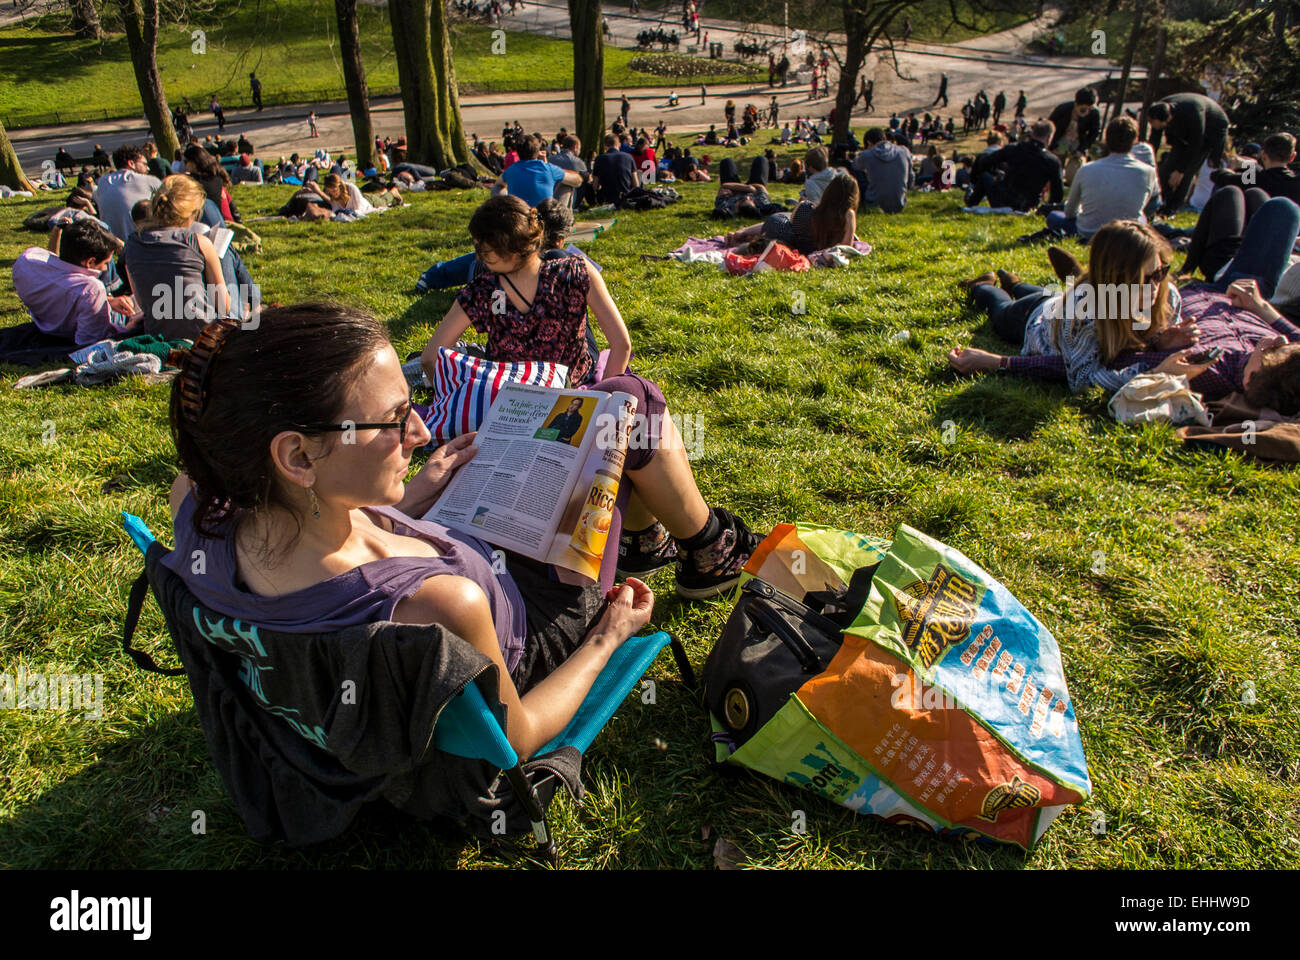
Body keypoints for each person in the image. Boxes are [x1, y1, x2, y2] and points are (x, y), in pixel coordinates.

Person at [123, 175, 232, 339]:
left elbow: (141, 302)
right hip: (203, 338)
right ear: (191, 214)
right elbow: (223, 305)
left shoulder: (132, 244)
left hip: (158, 334)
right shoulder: (199, 243)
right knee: (229, 254)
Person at [13, 218, 141, 347]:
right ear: (90, 262)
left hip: (47, 321)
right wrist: (130, 329)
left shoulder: (26, 260)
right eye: (106, 263)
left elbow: (62, 287)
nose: (105, 269)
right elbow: (90, 341)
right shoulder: (91, 289)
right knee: (152, 304)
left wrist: (107, 300)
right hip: (107, 323)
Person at [1047, 117, 1158, 240]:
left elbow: (1070, 212)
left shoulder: (1087, 169)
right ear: (1135, 140)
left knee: (1053, 216)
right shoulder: (1148, 172)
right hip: (1127, 234)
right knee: (1142, 218)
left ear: (1107, 139)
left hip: (1088, 231)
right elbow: (1151, 203)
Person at [724, 173, 858, 254]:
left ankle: (742, 233)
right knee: (784, 220)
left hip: (780, 230)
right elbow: (847, 246)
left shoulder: (808, 208)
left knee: (785, 219)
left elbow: (792, 224)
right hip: (787, 239)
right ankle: (743, 234)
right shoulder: (847, 215)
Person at [1146, 93, 1230, 213]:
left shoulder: (1193, 113)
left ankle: (1171, 208)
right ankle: (1160, 203)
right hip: (1186, 130)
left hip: (1211, 128)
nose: (1156, 127)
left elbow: (1196, 144)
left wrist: (1180, 170)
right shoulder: (1158, 110)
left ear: (1168, 119)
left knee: (1187, 171)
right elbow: (1155, 139)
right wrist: (1148, 161)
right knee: (1168, 167)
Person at [965, 120, 1063, 212]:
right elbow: (1057, 194)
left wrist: (995, 172)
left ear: (1032, 133)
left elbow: (986, 162)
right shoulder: (1052, 161)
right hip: (1027, 205)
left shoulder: (1014, 149)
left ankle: (971, 202)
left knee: (985, 176)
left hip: (1002, 200)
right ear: (1049, 137)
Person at [93, 144, 162, 243]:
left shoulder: (103, 181)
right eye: (144, 164)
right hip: (141, 240)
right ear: (131, 163)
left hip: (110, 241)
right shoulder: (146, 180)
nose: (148, 168)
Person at [494, 135, 583, 207]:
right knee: (567, 184)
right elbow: (578, 181)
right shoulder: (548, 169)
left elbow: (498, 184)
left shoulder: (511, 170)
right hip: (545, 219)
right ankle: (566, 225)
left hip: (520, 217)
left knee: (498, 188)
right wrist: (547, 164)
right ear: (538, 151)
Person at [853, 126, 914, 213]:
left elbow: (855, 165)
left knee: (857, 174)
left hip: (874, 202)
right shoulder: (904, 151)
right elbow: (911, 176)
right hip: (899, 203)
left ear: (869, 142)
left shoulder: (867, 155)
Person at [184, 144, 242, 223]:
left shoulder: (194, 183)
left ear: (194, 162)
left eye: (186, 162)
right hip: (221, 221)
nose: (185, 165)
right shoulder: (216, 178)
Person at [591, 134, 639, 205]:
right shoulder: (628, 157)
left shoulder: (599, 159)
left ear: (605, 146)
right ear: (619, 144)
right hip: (625, 197)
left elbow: (595, 186)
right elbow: (636, 184)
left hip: (606, 198)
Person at [550, 135, 589, 209]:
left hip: (550, 199)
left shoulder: (550, 159)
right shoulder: (577, 162)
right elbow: (588, 179)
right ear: (575, 147)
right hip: (568, 201)